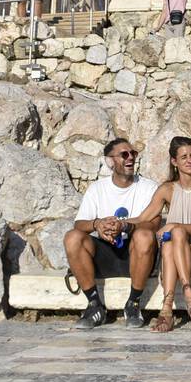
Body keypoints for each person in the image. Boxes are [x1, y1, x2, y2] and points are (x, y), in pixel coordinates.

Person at [122, 136, 191, 333]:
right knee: (171, 241)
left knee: (175, 232)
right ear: (174, 162)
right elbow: (143, 218)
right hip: (176, 250)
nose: (190, 161)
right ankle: (172, 306)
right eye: (184, 157)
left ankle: (175, 305)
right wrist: (118, 224)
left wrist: (172, 226)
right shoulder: (167, 189)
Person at [62, 138, 161, 329]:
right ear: (110, 161)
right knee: (72, 238)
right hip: (106, 253)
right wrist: (97, 224)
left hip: (137, 254)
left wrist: (124, 226)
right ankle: (94, 305)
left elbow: (154, 223)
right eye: (124, 154)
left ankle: (133, 303)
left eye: (133, 153)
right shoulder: (97, 188)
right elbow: (79, 224)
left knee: (144, 236)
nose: (130, 157)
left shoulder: (148, 187)